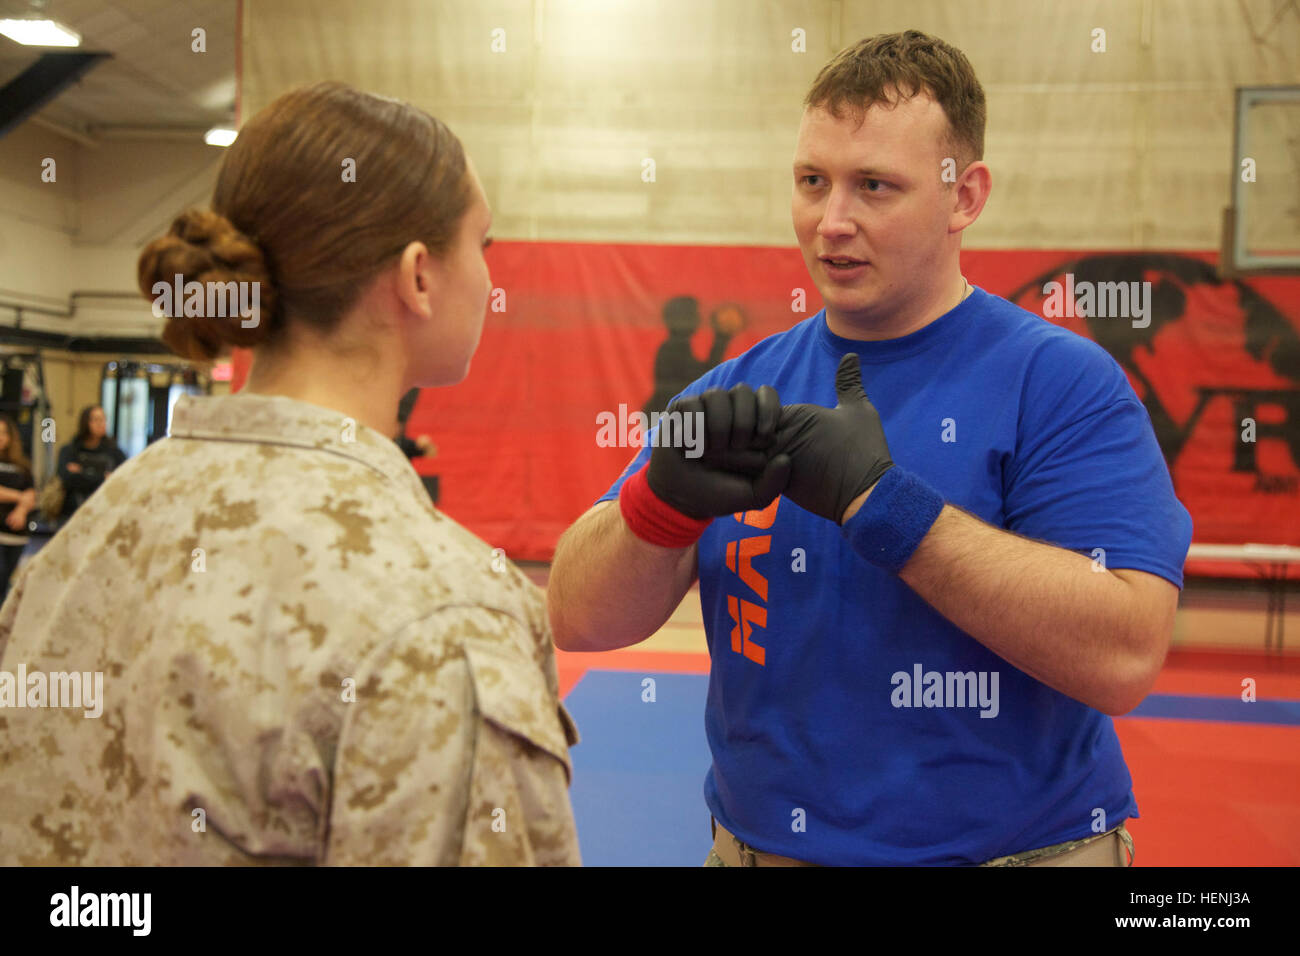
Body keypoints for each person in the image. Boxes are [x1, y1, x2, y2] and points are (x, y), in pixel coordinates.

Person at [548, 31, 1192, 867]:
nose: (832, 221)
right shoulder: (737, 386)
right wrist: (655, 506)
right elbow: (577, 616)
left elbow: (1126, 653)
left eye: (875, 186)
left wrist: (886, 507)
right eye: (812, 182)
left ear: (966, 198)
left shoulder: (1061, 383)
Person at [0, 81, 579, 866]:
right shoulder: (444, 613)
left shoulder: (80, 551)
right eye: (483, 244)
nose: (487, 276)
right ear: (418, 277)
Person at [56, 405, 126, 517]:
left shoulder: (114, 452)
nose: (101, 424)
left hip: (106, 510)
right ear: (85, 423)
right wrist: (103, 477)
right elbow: (66, 479)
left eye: (103, 419)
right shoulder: (70, 450)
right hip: (74, 511)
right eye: (96, 420)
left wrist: (82, 472)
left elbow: (121, 479)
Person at [0, 414, 35, 600]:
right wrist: (20, 497)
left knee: (6, 582)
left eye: (4, 433)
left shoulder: (22, 465)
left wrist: (21, 510)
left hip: (16, 533)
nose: (1, 436)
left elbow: (32, 493)